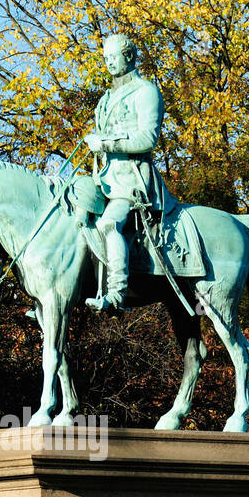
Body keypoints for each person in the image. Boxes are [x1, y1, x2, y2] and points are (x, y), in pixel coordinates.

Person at [83, 33, 164, 312]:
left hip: (131, 179)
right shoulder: (105, 98)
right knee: (71, 213)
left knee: (108, 224)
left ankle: (117, 293)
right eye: (105, 58)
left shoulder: (146, 91)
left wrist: (104, 142)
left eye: (113, 57)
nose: (109, 63)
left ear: (129, 57)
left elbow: (147, 139)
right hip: (103, 178)